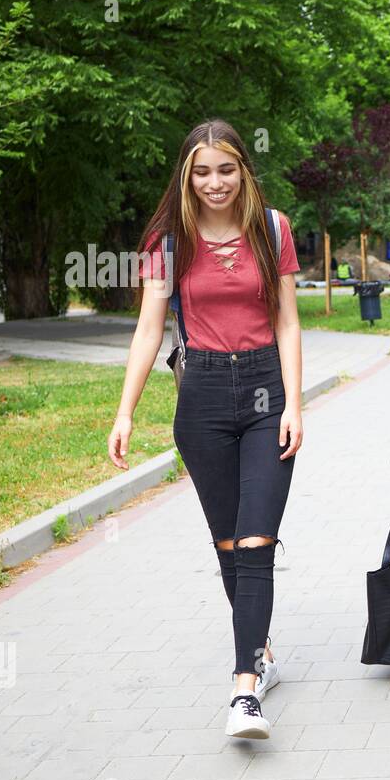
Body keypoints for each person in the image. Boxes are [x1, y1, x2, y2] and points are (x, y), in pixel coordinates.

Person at [108, 119, 303, 741]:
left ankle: (244, 688)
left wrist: (295, 404)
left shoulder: (272, 230)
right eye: (202, 171)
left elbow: (289, 323)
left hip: (267, 392)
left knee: (256, 542)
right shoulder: (168, 243)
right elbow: (147, 330)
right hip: (203, 398)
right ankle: (262, 650)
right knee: (227, 545)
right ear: (186, 176)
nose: (214, 182)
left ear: (244, 170)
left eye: (226, 169)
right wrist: (125, 410)